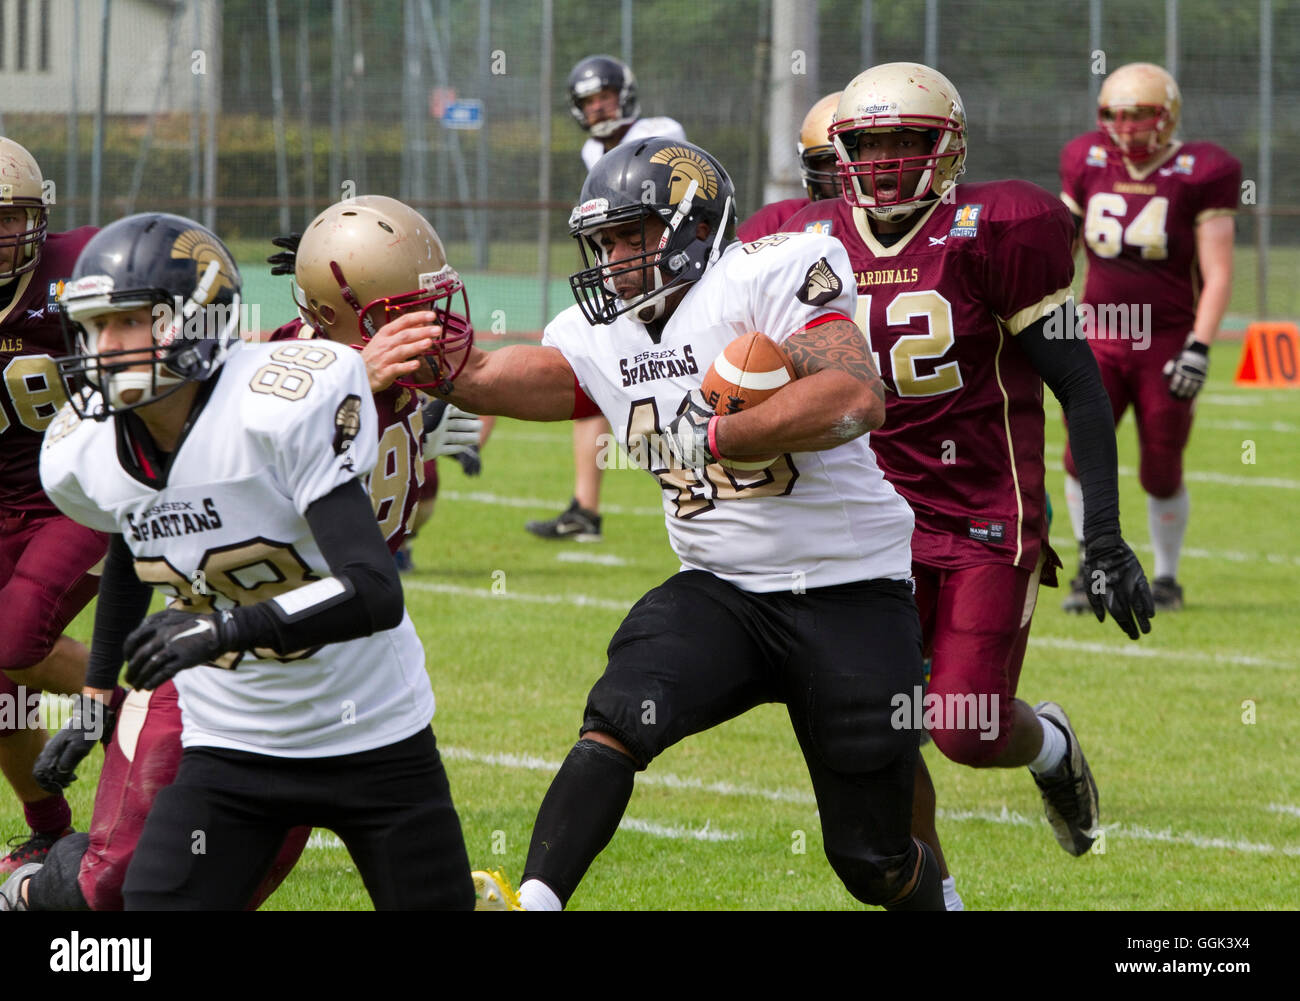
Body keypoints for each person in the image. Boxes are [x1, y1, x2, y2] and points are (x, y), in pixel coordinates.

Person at [423, 136, 943, 910]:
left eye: (631, 235)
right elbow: (499, 377)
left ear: (693, 225)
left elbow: (855, 394)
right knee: (618, 714)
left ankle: (941, 895)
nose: (613, 256)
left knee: (870, 860)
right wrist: (414, 348)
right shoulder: (599, 330)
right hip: (721, 588)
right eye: (603, 240)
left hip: (849, 587)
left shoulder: (766, 276)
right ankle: (532, 901)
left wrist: (724, 433)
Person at [11, 212, 474, 910]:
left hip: (373, 733)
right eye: (93, 327)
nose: (102, 347)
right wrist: (98, 694)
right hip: (231, 745)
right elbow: (133, 546)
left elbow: (375, 591)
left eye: (125, 324)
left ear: (192, 324)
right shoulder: (87, 448)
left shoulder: (283, 405)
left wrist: (226, 630)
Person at [782, 65, 1154, 897]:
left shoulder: (999, 226)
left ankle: (1050, 745)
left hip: (986, 511)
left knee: (962, 726)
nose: (882, 163)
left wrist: (1103, 535)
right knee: (882, 727)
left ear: (944, 148)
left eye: (904, 141)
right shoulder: (805, 242)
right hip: (869, 523)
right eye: (866, 144)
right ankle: (936, 897)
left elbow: (1082, 388)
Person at [1058, 62, 1239, 612]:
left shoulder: (1201, 169)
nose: (1127, 128)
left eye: (1139, 116)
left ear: (1167, 117)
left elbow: (1219, 272)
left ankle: (1166, 578)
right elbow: (1062, 250)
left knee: (1161, 464)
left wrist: (1200, 346)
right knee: (1079, 456)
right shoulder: (1084, 158)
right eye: (1115, 115)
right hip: (1098, 335)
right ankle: (1095, 571)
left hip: (1164, 339)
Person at [524, 55, 686, 544]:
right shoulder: (593, 151)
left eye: (604, 97)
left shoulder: (661, 128)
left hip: (675, 271)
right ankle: (585, 509)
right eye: (588, 101)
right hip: (632, 273)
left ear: (625, 94)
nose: (597, 108)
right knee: (595, 371)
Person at [0, 137, 101, 874]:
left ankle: (154, 701)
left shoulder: (84, 266)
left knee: (13, 646)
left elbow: (189, 307)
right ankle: (49, 829)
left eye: (14, 216)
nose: (3, 231)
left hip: (77, 492)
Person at [736, 91, 842, 242]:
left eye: (854, 158)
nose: (845, 172)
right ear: (812, 165)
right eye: (832, 161)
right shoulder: (777, 220)